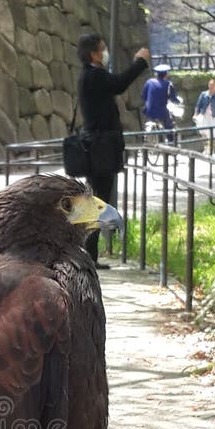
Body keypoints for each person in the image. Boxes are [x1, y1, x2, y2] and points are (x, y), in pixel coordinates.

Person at [77, 32, 150, 269]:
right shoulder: (95, 76)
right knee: (98, 201)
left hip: (97, 147)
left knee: (95, 200)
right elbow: (119, 84)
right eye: (102, 49)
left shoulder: (88, 75)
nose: (105, 52)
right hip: (101, 149)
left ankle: (89, 254)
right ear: (93, 54)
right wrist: (140, 62)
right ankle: (89, 255)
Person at [141, 63, 181, 140]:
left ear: (156, 74)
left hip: (148, 111)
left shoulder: (149, 82)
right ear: (166, 74)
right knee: (169, 126)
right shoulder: (168, 84)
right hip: (162, 111)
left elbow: (143, 96)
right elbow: (173, 99)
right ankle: (171, 143)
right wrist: (178, 102)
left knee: (148, 122)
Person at [193, 78, 215, 154]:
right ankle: (206, 147)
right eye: (210, 85)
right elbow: (198, 105)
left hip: (213, 116)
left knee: (213, 133)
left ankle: (212, 149)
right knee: (203, 132)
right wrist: (195, 114)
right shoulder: (203, 94)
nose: (211, 87)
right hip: (204, 115)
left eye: (213, 85)